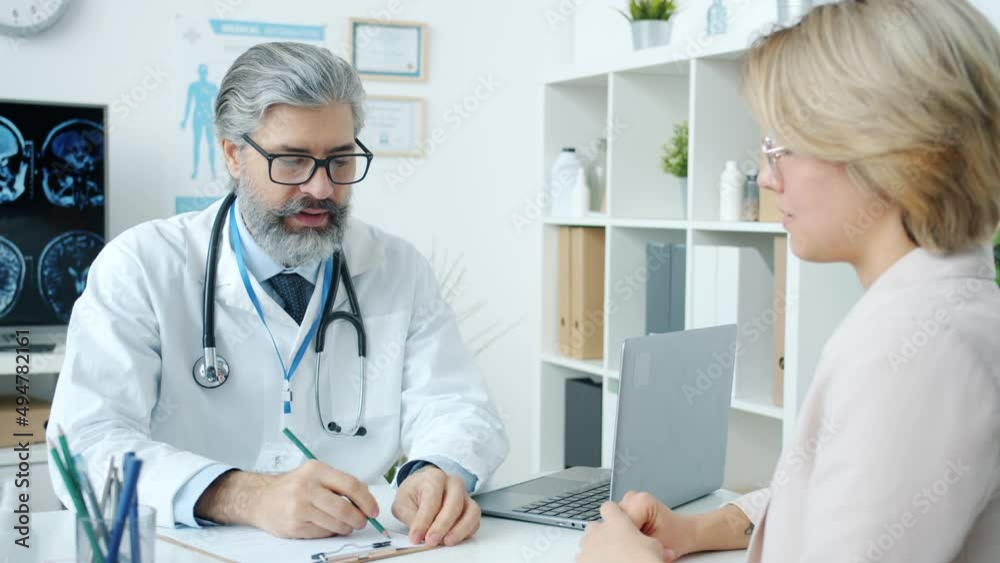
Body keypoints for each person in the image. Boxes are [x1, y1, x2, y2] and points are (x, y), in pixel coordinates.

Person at [577, 0, 1000, 561]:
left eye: (784, 146)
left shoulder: (917, 348)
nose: (770, 178)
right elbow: (845, 495)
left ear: (889, 150)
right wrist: (700, 530)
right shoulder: (934, 313)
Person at [47, 42, 508, 548]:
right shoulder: (142, 266)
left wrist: (434, 471)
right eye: (291, 162)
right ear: (232, 154)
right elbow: (87, 444)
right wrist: (243, 495)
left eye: (339, 160)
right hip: (192, 547)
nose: (320, 188)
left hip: (359, 547)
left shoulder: (397, 266)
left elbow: (455, 404)